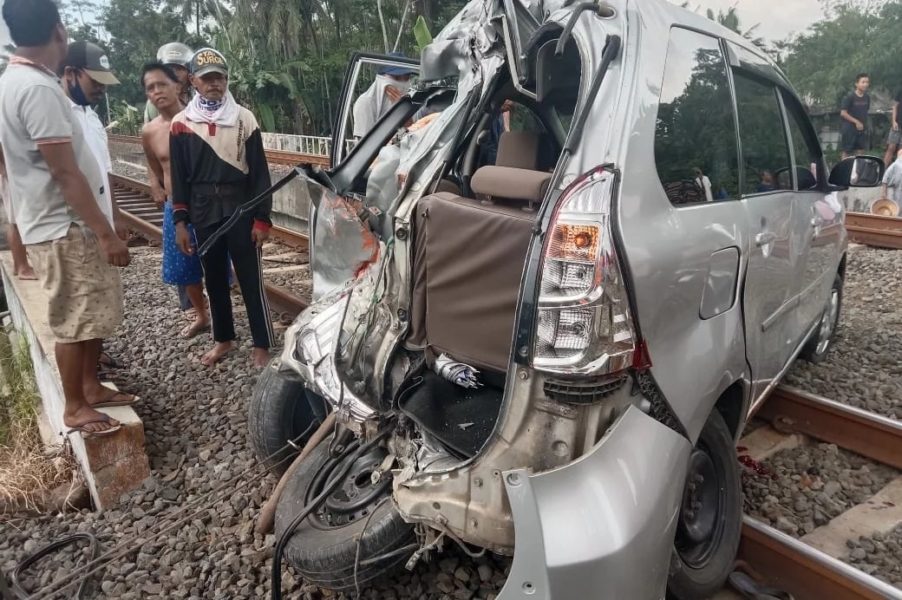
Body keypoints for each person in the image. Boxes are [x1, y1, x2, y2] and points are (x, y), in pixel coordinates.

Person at [0, 0, 131, 436]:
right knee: (74, 319)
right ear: (60, 31)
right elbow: (64, 172)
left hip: (60, 223)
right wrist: (105, 233)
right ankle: (75, 406)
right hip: (63, 227)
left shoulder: (16, 81)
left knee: (91, 312)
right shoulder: (36, 89)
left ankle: (90, 387)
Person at [170, 48, 274, 368]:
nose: (214, 83)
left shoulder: (244, 118)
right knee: (214, 277)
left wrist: (262, 219)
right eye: (207, 78)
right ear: (193, 81)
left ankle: (262, 343)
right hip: (203, 210)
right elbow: (179, 178)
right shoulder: (181, 123)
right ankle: (223, 339)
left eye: (220, 77)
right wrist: (180, 222)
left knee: (250, 277)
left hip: (240, 206)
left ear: (227, 80)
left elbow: (260, 173)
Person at [141, 62, 210, 338]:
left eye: (162, 84)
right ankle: (201, 315)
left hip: (208, 204)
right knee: (185, 267)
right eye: (150, 88)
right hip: (177, 207)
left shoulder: (201, 120)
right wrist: (161, 188)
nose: (157, 91)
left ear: (178, 86)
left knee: (219, 262)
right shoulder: (150, 132)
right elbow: (158, 168)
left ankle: (224, 315)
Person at [352, 52, 417, 138]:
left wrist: (404, 112)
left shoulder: (408, 102)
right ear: (381, 78)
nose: (402, 83)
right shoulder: (365, 103)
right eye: (396, 78)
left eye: (406, 78)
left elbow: (411, 135)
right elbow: (366, 142)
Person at [0, 149, 36, 279]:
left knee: (19, 220)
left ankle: (20, 265)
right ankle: (22, 267)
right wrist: (6, 172)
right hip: (13, 176)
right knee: (16, 221)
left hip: (18, 174)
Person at [144, 42, 193, 124]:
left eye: (179, 69)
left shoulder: (198, 98)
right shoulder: (155, 101)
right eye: (169, 69)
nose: (174, 73)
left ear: (189, 73)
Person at [840, 73, 871, 160]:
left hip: (861, 129)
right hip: (849, 129)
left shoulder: (867, 97)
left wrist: (863, 124)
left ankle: (858, 168)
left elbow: (866, 111)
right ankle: (844, 168)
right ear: (856, 84)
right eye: (863, 82)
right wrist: (856, 122)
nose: (865, 84)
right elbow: (843, 113)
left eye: (867, 82)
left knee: (861, 152)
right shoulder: (849, 97)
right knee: (847, 152)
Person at [884, 89, 902, 168]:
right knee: (891, 147)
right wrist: (894, 121)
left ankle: (898, 170)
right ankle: (883, 169)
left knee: (901, 150)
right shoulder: (900, 91)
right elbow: (895, 106)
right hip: (897, 124)